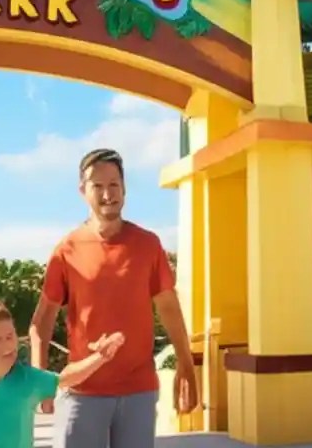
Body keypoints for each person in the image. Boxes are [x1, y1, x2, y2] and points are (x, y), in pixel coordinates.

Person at [29, 148, 198, 448]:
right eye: (98, 186)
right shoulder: (66, 249)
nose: (108, 194)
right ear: (83, 191)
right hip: (82, 392)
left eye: (114, 185)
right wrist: (41, 382)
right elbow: (41, 321)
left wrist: (186, 364)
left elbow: (169, 307)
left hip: (139, 392)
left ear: (124, 188)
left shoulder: (148, 244)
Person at [0, 300, 126, 448]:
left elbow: (66, 378)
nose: (8, 344)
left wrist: (100, 358)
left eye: (10, 336)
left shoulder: (27, 378)